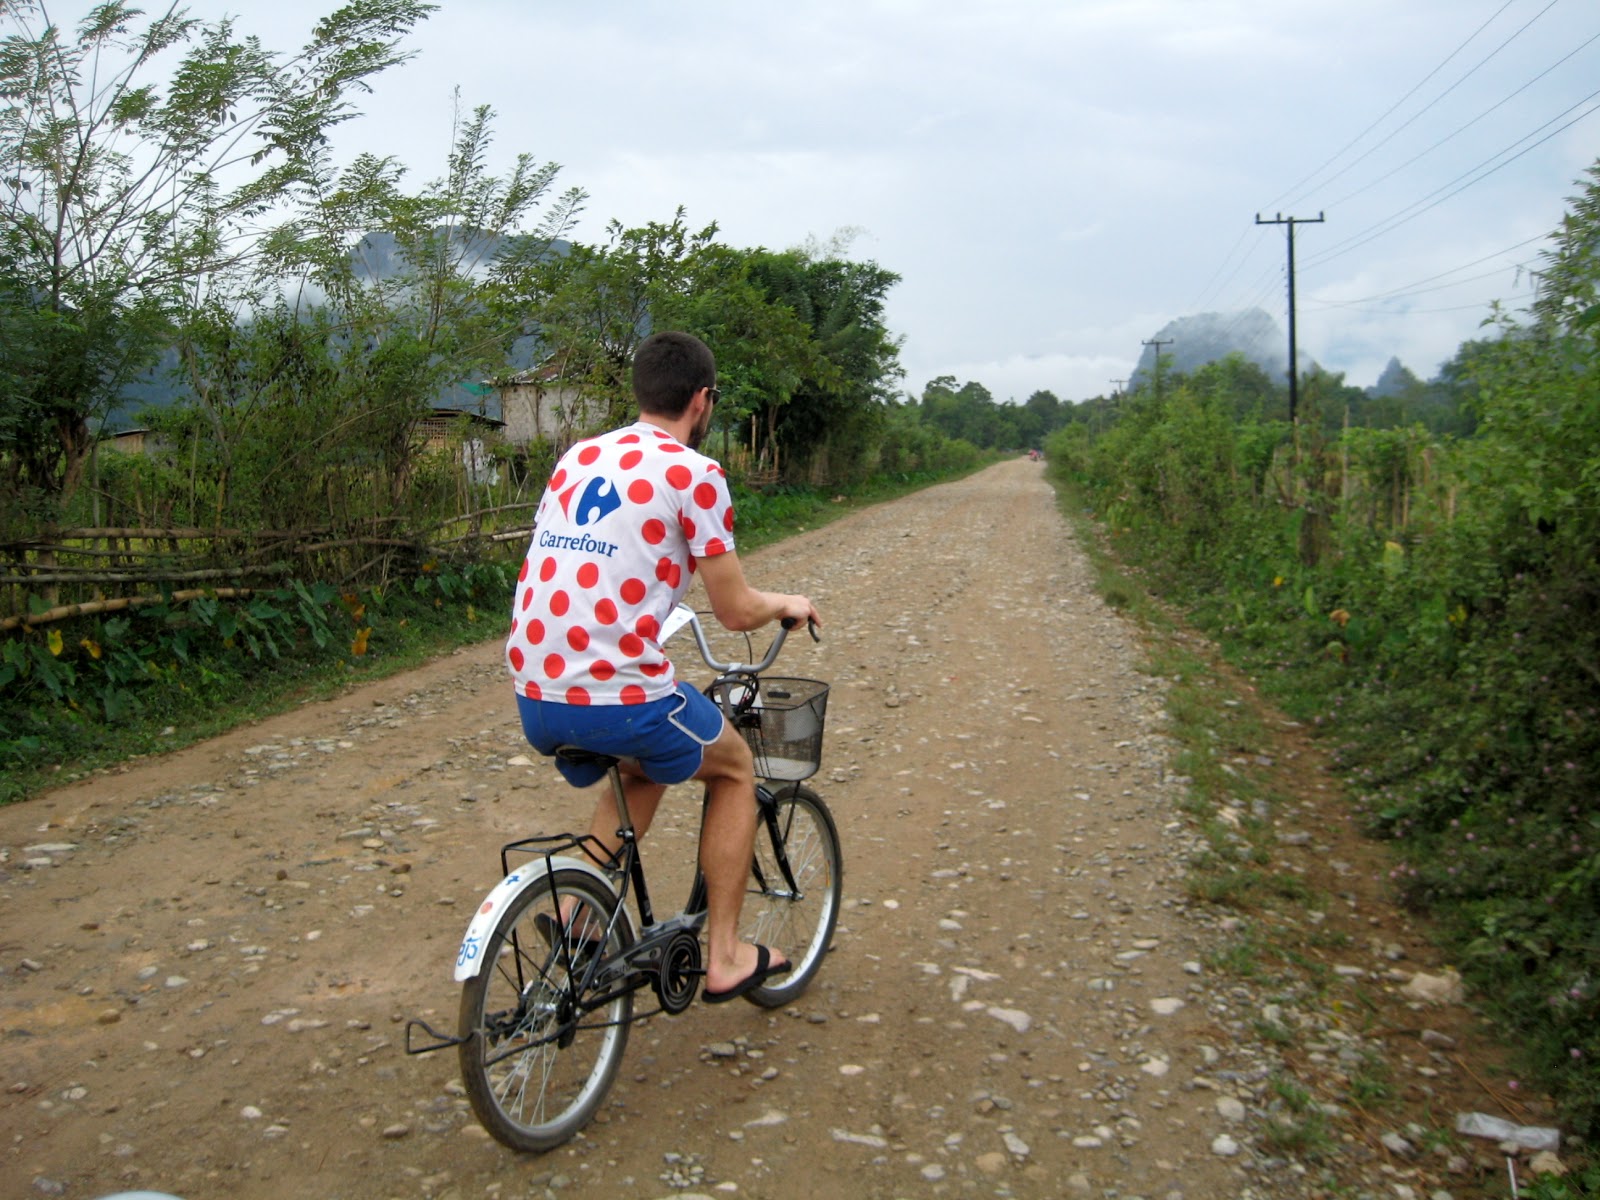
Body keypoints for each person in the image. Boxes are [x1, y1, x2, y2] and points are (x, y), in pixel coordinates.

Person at [506, 330, 821, 1003]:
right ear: (702, 400)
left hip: (535, 691)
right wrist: (786, 604)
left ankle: (577, 910)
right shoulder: (694, 473)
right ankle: (729, 955)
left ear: (641, 391)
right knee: (734, 768)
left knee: (643, 757)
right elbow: (734, 610)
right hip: (614, 693)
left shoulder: (579, 458)